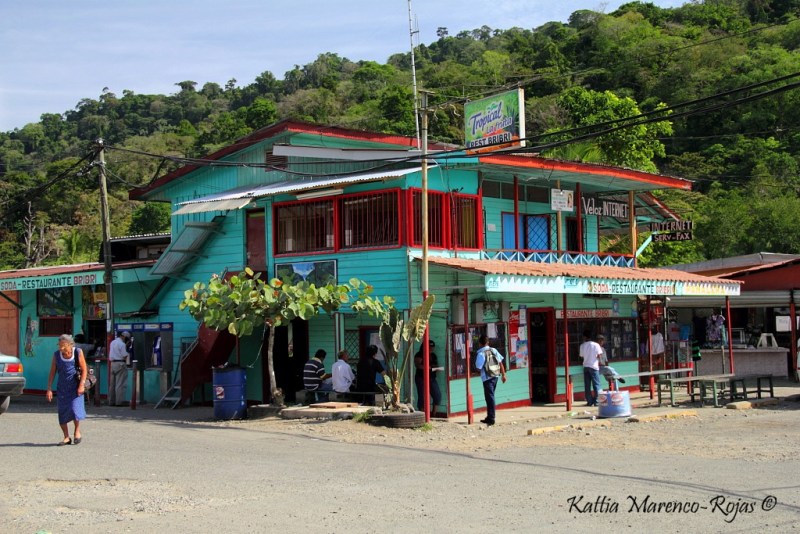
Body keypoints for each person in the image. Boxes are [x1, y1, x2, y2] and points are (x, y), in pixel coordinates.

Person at [45, 334, 87, 445]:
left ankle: (77, 431)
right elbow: (52, 372)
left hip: (75, 387)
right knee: (62, 412)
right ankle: (66, 437)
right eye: (59, 345)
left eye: (63, 345)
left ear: (70, 344)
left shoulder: (78, 352)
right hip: (62, 388)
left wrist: (82, 385)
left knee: (75, 409)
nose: (61, 348)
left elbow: (84, 370)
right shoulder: (56, 355)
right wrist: (49, 388)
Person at [474, 335, 507, 426]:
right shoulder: (494, 350)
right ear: (488, 342)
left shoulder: (481, 354)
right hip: (495, 376)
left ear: (480, 343)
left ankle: (491, 418)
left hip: (487, 378)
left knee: (489, 397)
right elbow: (500, 363)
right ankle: (489, 416)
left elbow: (478, 368)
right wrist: (503, 374)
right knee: (490, 397)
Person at [414, 339, 442, 415]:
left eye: (433, 347)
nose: (432, 349)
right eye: (430, 347)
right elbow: (418, 365)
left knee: (437, 395)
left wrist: (432, 367)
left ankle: (434, 414)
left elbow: (436, 366)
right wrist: (428, 367)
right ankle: (422, 414)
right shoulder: (419, 354)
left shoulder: (433, 355)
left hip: (431, 377)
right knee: (422, 396)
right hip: (421, 377)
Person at [579, 330, 603, 407]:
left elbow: (582, 356)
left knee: (587, 385)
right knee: (596, 384)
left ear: (584, 337)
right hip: (594, 366)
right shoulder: (596, 345)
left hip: (586, 366)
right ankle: (596, 401)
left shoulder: (582, 346)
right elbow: (599, 356)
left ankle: (589, 401)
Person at [108, 331, 130, 406]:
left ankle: (111, 401)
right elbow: (124, 355)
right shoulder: (122, 344)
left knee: (112, 384)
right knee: (120, 383)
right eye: (127, 338)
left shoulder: (113, 342)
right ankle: (119, 402)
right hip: (120, 363)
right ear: (124, 336)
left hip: (113, 363)